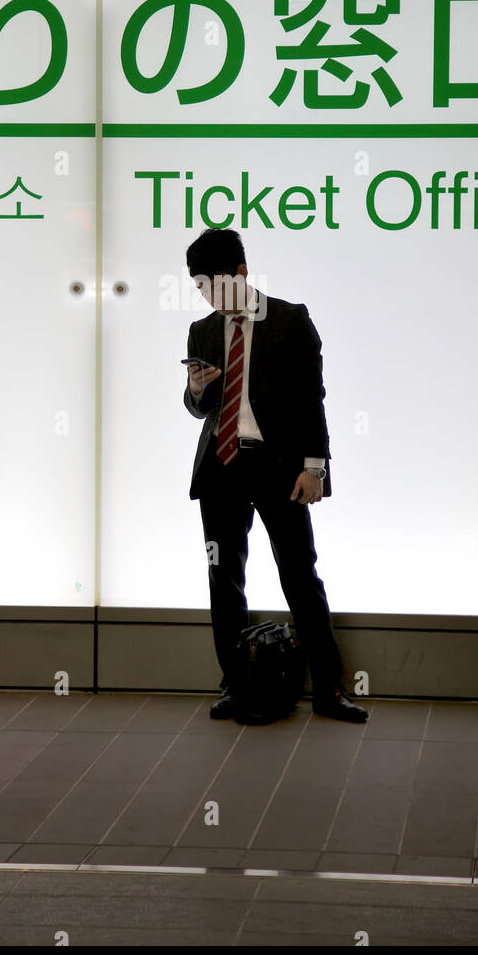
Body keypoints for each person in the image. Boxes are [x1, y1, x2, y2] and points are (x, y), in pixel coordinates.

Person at [182, 227, 368, 723]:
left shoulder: (290, 320)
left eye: (215, 286)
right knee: (224, 579)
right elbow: (197, 406)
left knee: (299, 573)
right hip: (221, 468)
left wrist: (315, 468)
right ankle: (236, 685)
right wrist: (197, 390)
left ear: (241, 273)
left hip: (279, 469)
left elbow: (312, 399)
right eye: (200, 288)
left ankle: (329, 689)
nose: (208, 297)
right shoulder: (202, 330)